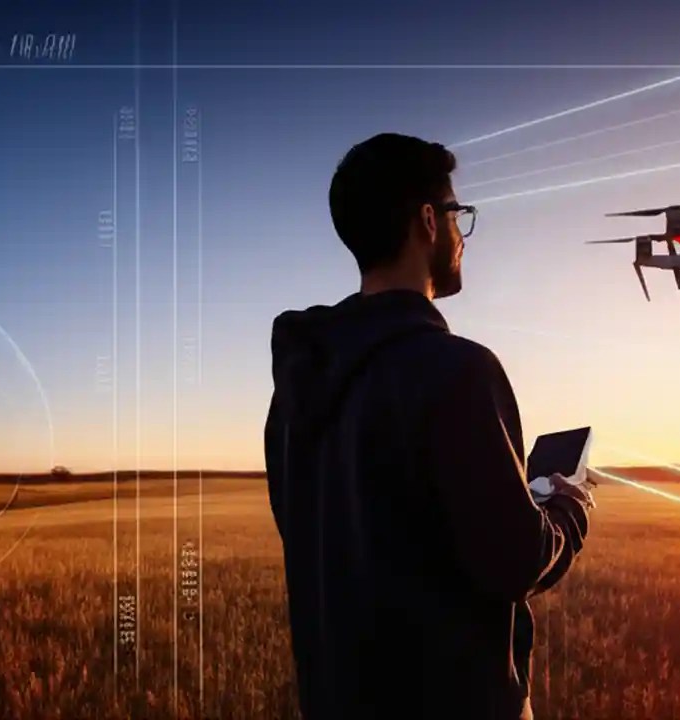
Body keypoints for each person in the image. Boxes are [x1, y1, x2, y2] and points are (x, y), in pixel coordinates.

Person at [264, 132, 594, 720]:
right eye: (457, 215)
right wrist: (567, 508)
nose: (462, 235)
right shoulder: (456, 370)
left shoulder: (293, 391)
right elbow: (515, 562)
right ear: (427, 221)